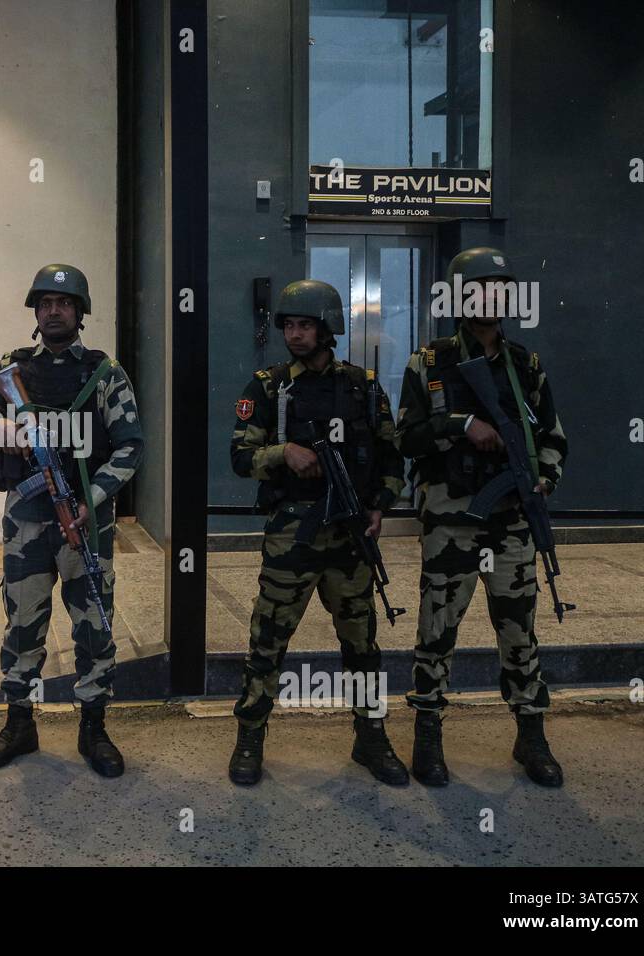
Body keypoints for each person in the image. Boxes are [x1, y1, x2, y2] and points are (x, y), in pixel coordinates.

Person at [395, 247, 567, 788]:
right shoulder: (429, 363)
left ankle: (531, 733)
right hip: (450, 522)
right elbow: (405, 437)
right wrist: (460, 424)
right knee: (436, 628)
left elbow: (554, 440)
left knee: (519, 631)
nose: (491, 298)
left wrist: (544, 476)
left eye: (500, 289)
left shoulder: (525, 366)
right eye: (480, 288)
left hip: (511, 520)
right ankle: (428, 733)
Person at [228, 279, 408, 787]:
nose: (295, 334)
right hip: (294, 534)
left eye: (305, 325)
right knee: (268, 640)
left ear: (327, 329)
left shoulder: (364, 387)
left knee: (362, 644)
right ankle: (250, 736)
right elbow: (240, 456)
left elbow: (393, 456)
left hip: (350, 536)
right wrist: (282, 454)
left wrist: (380, 507)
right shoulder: (268, 386)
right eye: (289, 325)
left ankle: (370, 736)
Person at [0, 264, 144, 778]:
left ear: (80, 312)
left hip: (85, 520)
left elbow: (132, 445)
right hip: (26, 520)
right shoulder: (12, 368)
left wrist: (93, 496)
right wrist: (7, 432)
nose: (54, 310)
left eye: (64, 303)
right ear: (36, 313)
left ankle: (94, 725)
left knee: (93, 622)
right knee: (22, 620)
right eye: (44, 303)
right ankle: (19, 722)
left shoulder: (104, 373)